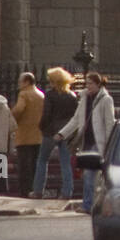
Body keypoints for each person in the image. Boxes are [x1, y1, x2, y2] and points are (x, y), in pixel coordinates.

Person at [55, 72, 115, 214]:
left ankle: (88, 205)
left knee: (89, 174)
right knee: (90, 176)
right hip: (86, 142)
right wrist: (62, 133)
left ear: (98, 84)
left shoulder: (106, 100)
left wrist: (109, 144)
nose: (88, 86)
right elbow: (76, 120)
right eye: (86, 83)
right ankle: (95, 204)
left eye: (91, 83)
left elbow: (109, 123)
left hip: (98, 143)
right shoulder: (84, 99)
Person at [31, 67, 78, 199]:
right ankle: (67, 192)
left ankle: (38, 190)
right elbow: (75, 116)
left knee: (42, 160)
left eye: (50, 80)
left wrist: (42, 127)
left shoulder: (50, 95)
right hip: (66, 132)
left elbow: (46, 114)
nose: (49, 82)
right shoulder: (72, 96)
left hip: (51, 132)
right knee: (65, 163)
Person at [11, 72, 45, 196]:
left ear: (26, 82)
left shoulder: (24, 94)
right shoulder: (41, 94)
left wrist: (12, 118)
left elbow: (19, 109)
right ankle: (35, 190)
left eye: (20, 82)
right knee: (35, 165)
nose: (19, 84)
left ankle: (25, 191)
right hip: (38, 135)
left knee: (24, 166)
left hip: (24, 135)